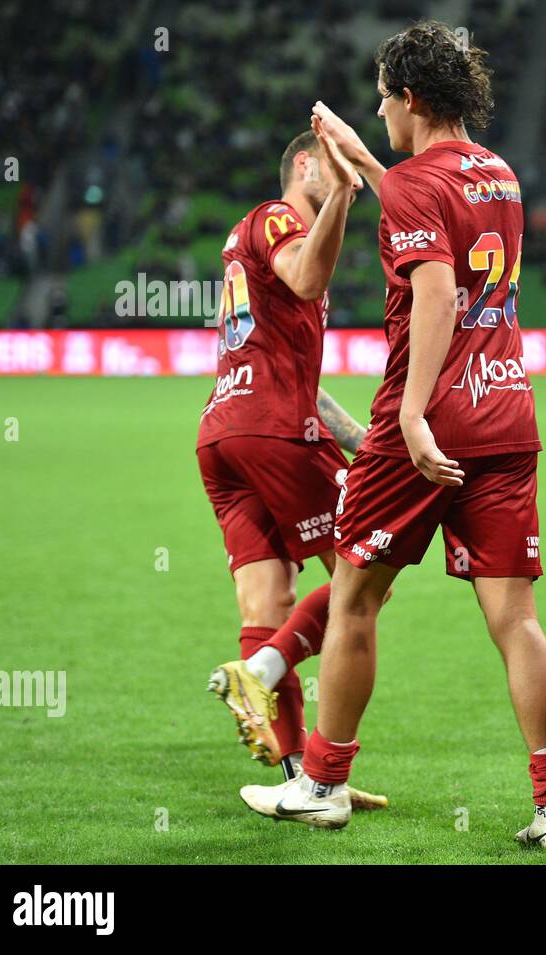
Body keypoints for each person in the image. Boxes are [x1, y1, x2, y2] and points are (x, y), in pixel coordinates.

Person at [239, 21, 546, 847]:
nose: (380, 111)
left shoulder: (417, 186)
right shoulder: (497, 172)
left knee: (355, 598)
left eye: (385, 98)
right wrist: (367, 162)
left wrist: (416, 413)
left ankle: (323, 780)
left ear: (411, 98)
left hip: (424, 422)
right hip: (507, 411)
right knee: (515, 618)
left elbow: (436, 292)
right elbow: (435, 207)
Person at [198, 128, 385, 809]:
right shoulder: (279, 220)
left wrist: (359, 438)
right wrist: (339, 187)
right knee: (368, 580)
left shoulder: (263, 246)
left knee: (267, 604)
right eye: (331, 170)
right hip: (275, 431)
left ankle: (299, 779)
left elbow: (296, 375)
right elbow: (307, 274)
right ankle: (261, 670)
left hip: (225, 434)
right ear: (306, 163)